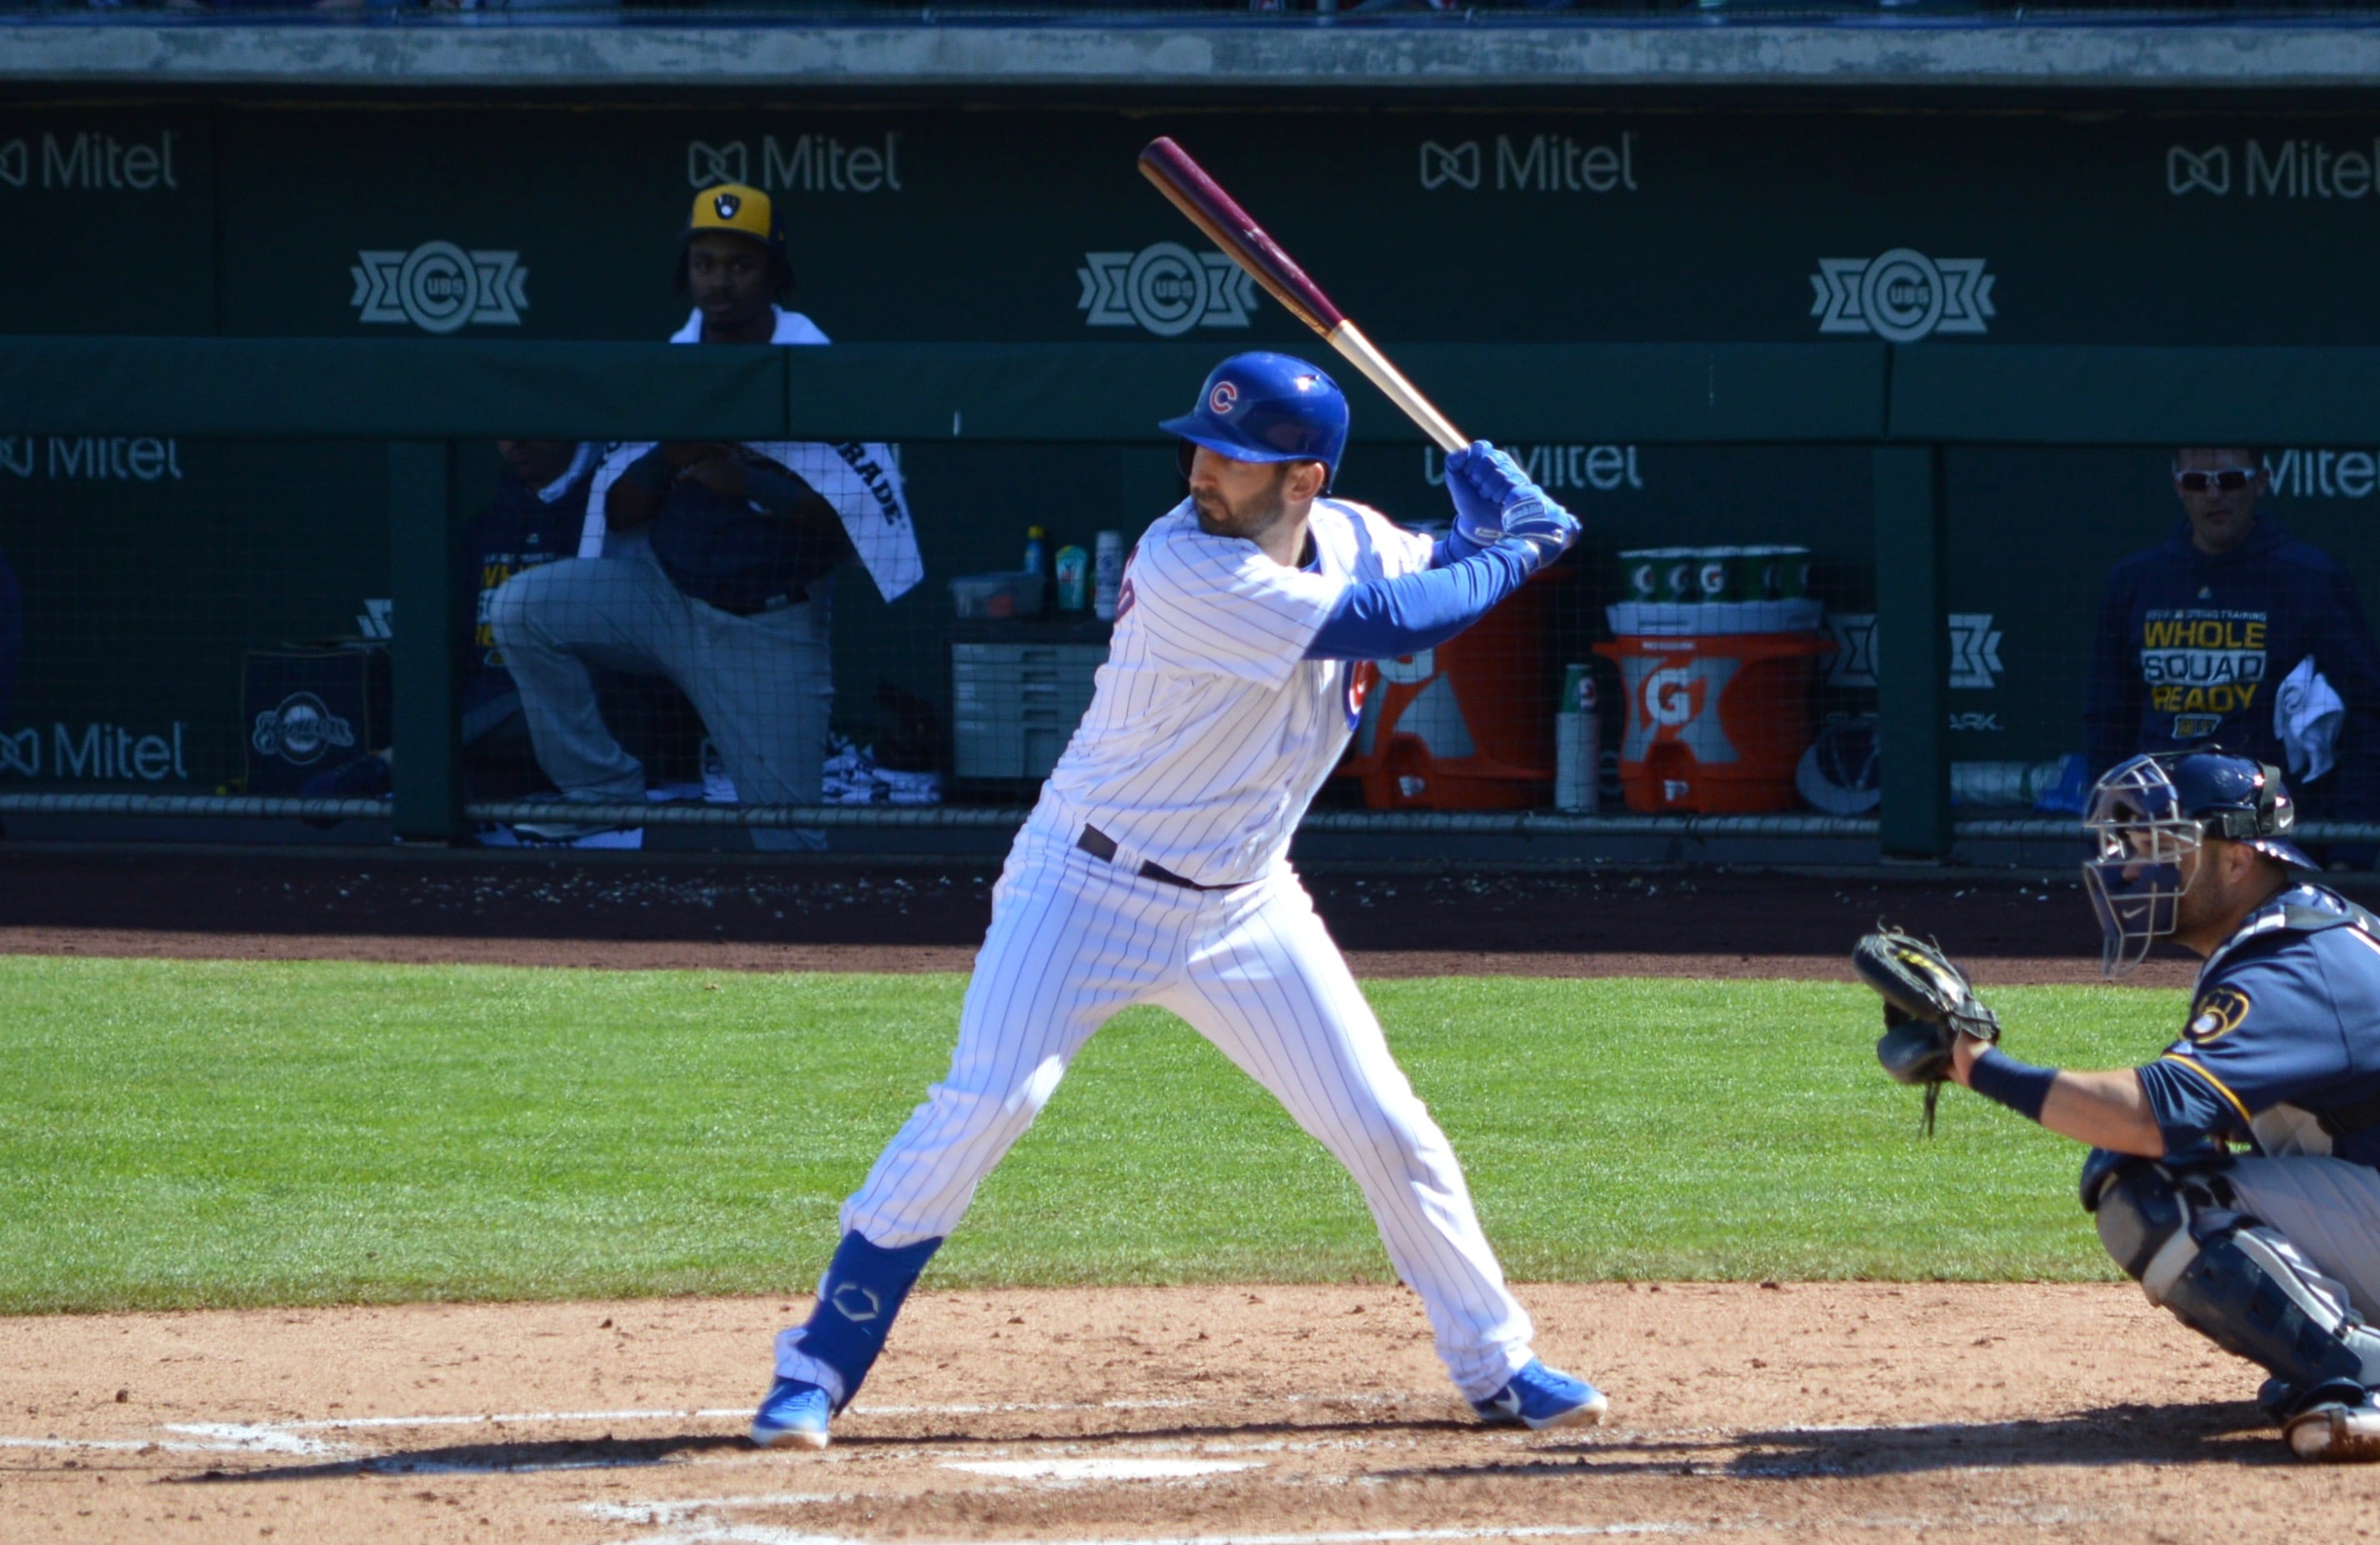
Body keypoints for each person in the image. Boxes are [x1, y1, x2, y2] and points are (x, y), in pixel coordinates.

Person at [747, 352, 1603, 1451]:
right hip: (1085, 884)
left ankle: (1498, 1363)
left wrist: (1486, 528)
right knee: (987, 1102)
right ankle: (817, 1360)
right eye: (1202, 442)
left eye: (1235, 456)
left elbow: (1422, 576)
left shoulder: (1352, 533)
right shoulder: (1187, 561)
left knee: (1387, 1126)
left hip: (1245, 903)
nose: (1203, 467)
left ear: (1304, 479)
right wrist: (1520, 546)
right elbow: (1391, 621)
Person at [1927, 750, 2380, 1462]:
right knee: (2184, 1157)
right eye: (2132, 847)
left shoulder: (2296, 962)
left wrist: (1976, 1066)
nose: (2133, 869)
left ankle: (2366, 1372)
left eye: (2161, 847)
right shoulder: (2294, 938)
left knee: (2153, 1189)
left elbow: (2148, 1114)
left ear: (2235, 861)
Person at [488, 183, 920, 848]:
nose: (720, 281)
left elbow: (852, 525)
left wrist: (745, 482)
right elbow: (617, 503)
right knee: (523, 607)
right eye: (705, 263)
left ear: (773, 272)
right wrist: (673, 457)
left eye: (740, 264)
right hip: (663, 603)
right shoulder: (674, 361)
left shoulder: (815, 365)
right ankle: (600, 792)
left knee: (791, 845)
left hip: (766, 627)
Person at [2085, 447, 2380, 862]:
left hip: (2271, 818)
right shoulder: (2136, 581)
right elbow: (2108, 716)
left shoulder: (2309, 578)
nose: (2213, 495)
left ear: (2261, 482)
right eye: (2196, 482)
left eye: (2230, 480)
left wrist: (2353, 840)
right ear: (2177, 486)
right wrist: (2110, 824)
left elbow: (2364, 711)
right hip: (2167, 817)